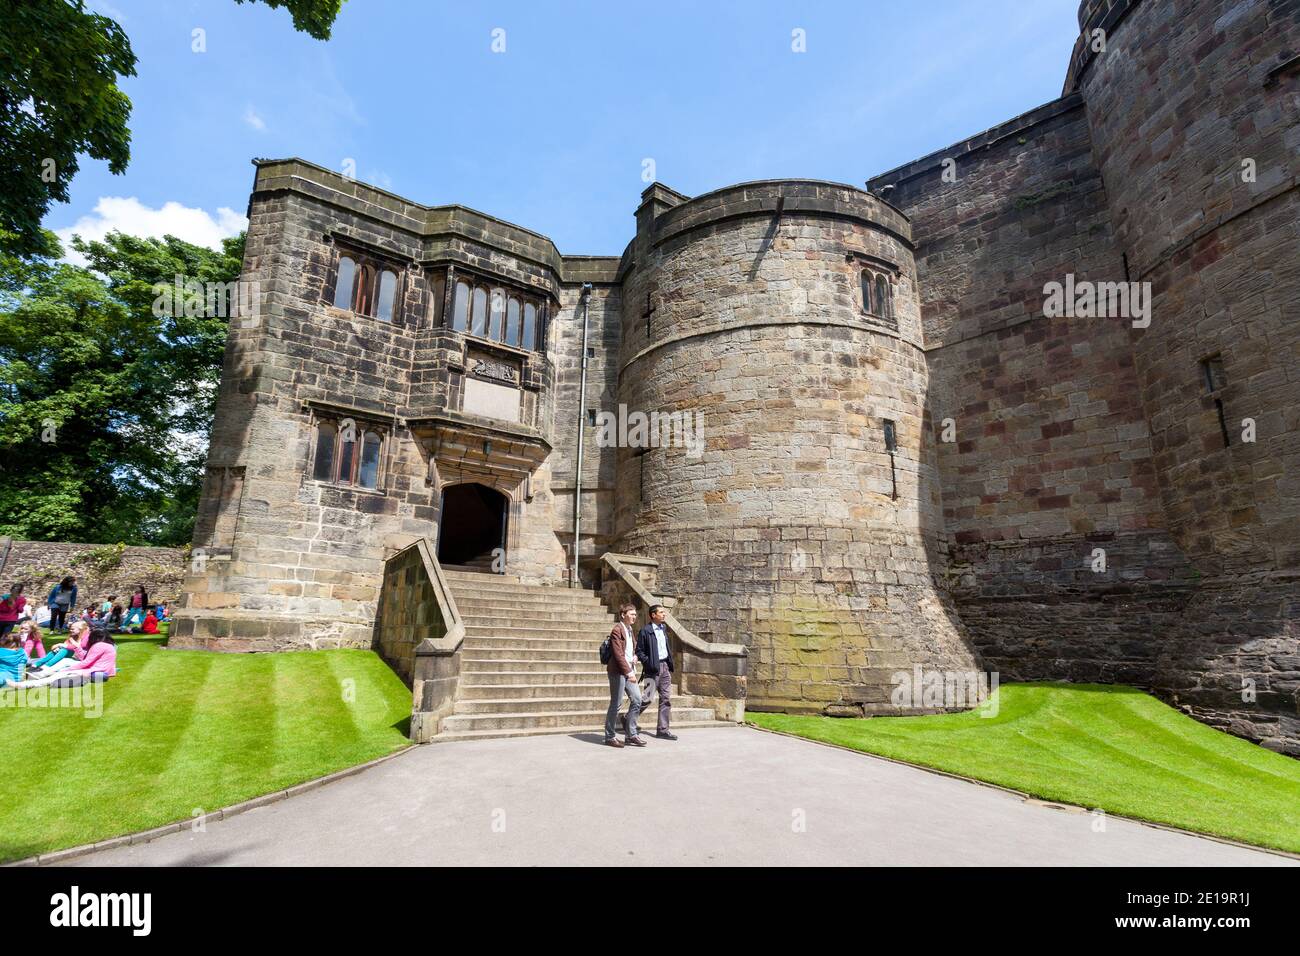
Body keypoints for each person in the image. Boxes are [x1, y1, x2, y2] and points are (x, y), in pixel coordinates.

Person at [604, 603, 645, 748]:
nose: (635, 616)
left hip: (629, 670)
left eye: (635, 614)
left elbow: (630, 650)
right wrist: (629, 672)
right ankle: (609, 736)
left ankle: (631, 735)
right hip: (618, 671)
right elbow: (618, 654)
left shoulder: (629, 630)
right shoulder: (617, 630)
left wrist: (635, 657)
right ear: (623, 615)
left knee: (637, 700)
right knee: (616, 704)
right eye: (632, 614)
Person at [21, 626, 115, 688]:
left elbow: (86, 662)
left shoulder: (99, 645)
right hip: (98, 669)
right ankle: (39, 675)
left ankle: (31, 683)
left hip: (96, 671)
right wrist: (77, 646)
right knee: (66, 661)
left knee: (61, 673)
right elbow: (85, 658)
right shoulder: (107, 645)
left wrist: (69, 669)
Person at [636, 604, 677, 740]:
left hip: (664, 666)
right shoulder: (645, 631)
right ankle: (628, 718)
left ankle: (663, 730)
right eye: (661, 612)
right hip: (652, 669)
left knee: (666, 699)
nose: (664, 614)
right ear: (653, 615)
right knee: (647, 698)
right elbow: (639, 651)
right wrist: (648, 662)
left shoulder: (663, 628)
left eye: (664, 612)